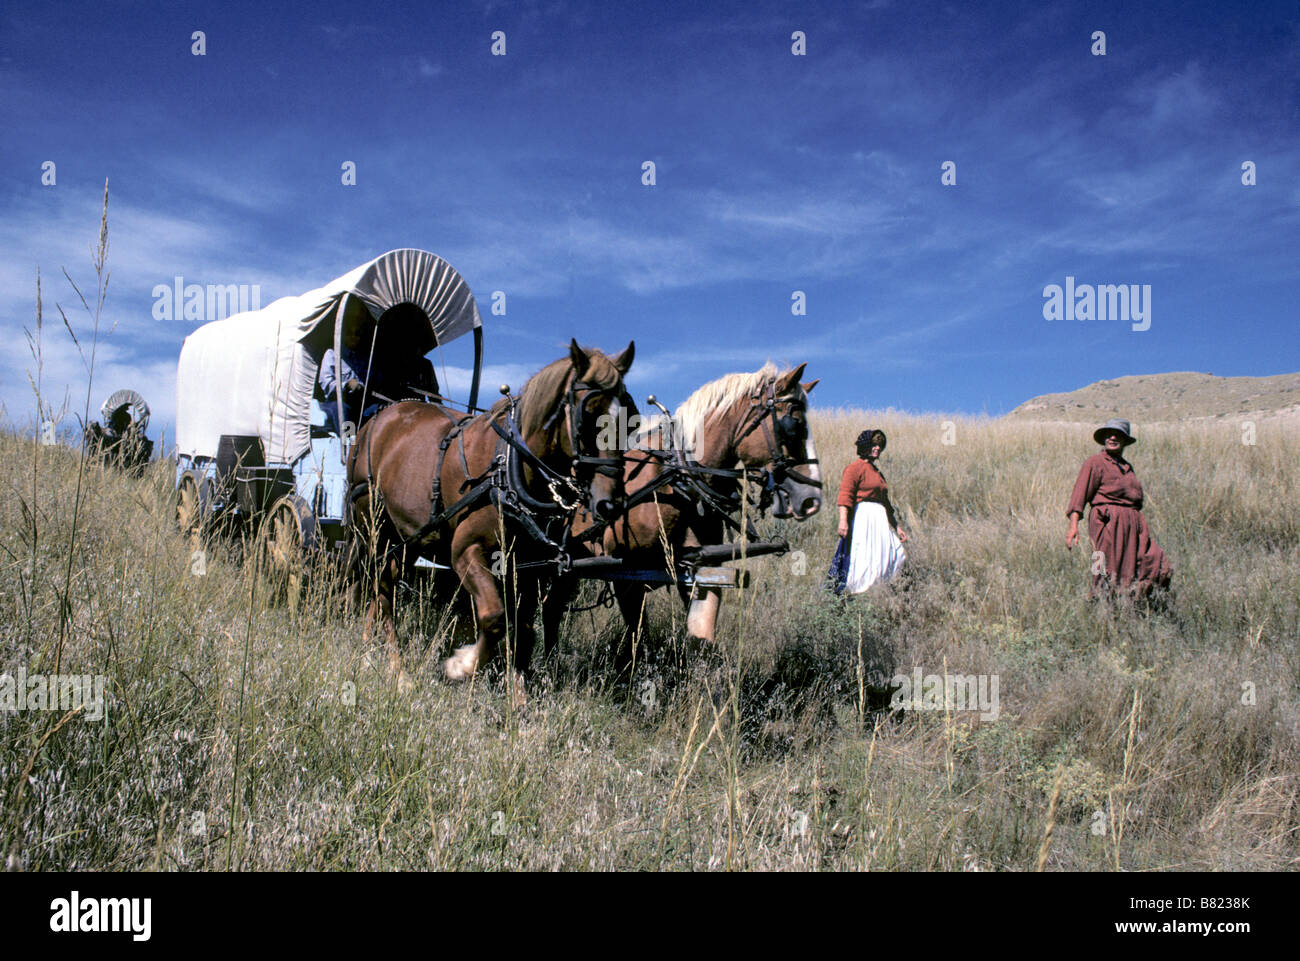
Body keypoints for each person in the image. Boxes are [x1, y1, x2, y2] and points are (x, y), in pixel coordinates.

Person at [1066, 418, 1172, 600]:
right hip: (1105, 522)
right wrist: (1073, 527)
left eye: (1118, 434)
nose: (1112, 437)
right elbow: (1079, 496)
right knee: (1102, 562)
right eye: (1109, 434)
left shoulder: (1127, 467)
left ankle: (1134, 602)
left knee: (1155, 559)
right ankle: (1100, 602)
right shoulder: (1095, 462)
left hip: (1133, 524)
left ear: (1125, 440)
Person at [828, 428, 908, 594]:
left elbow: (887, 504)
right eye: (874, 444)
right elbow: (845, 496)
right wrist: (843, 521)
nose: (877, 448)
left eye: (880, 445)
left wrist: (897, 527)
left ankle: (881, 591)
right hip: (863, 518)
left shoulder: (877, 473)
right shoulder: (854, 468)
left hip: (880, 520)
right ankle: (856, 594)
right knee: (863, 557)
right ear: (865, 445)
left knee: (895, 554)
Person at [319, 321, 380, 436]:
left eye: (357, 334)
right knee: (344, 411)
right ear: (342, 335)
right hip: (338, 402)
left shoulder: (364, 358)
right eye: (349, 333)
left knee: (380, 411)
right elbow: (325, 383)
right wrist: (346, 385)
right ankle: (349, 446)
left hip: (361, 403)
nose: (353, 337)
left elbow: (375, 379)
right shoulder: (332, 354)